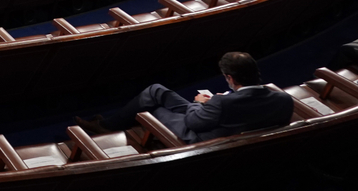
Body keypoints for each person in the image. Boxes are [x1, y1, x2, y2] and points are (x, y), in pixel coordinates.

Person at [77, 52, 292, 143]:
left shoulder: (222, 102)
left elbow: (193, 122)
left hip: (203, 136)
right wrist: (212, 106)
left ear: (230, 78)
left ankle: (107, 127)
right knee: (156, 91)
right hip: (218, 119)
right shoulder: (283, 99)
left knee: (154, 108)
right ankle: (109, 124)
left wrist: (201, 104)